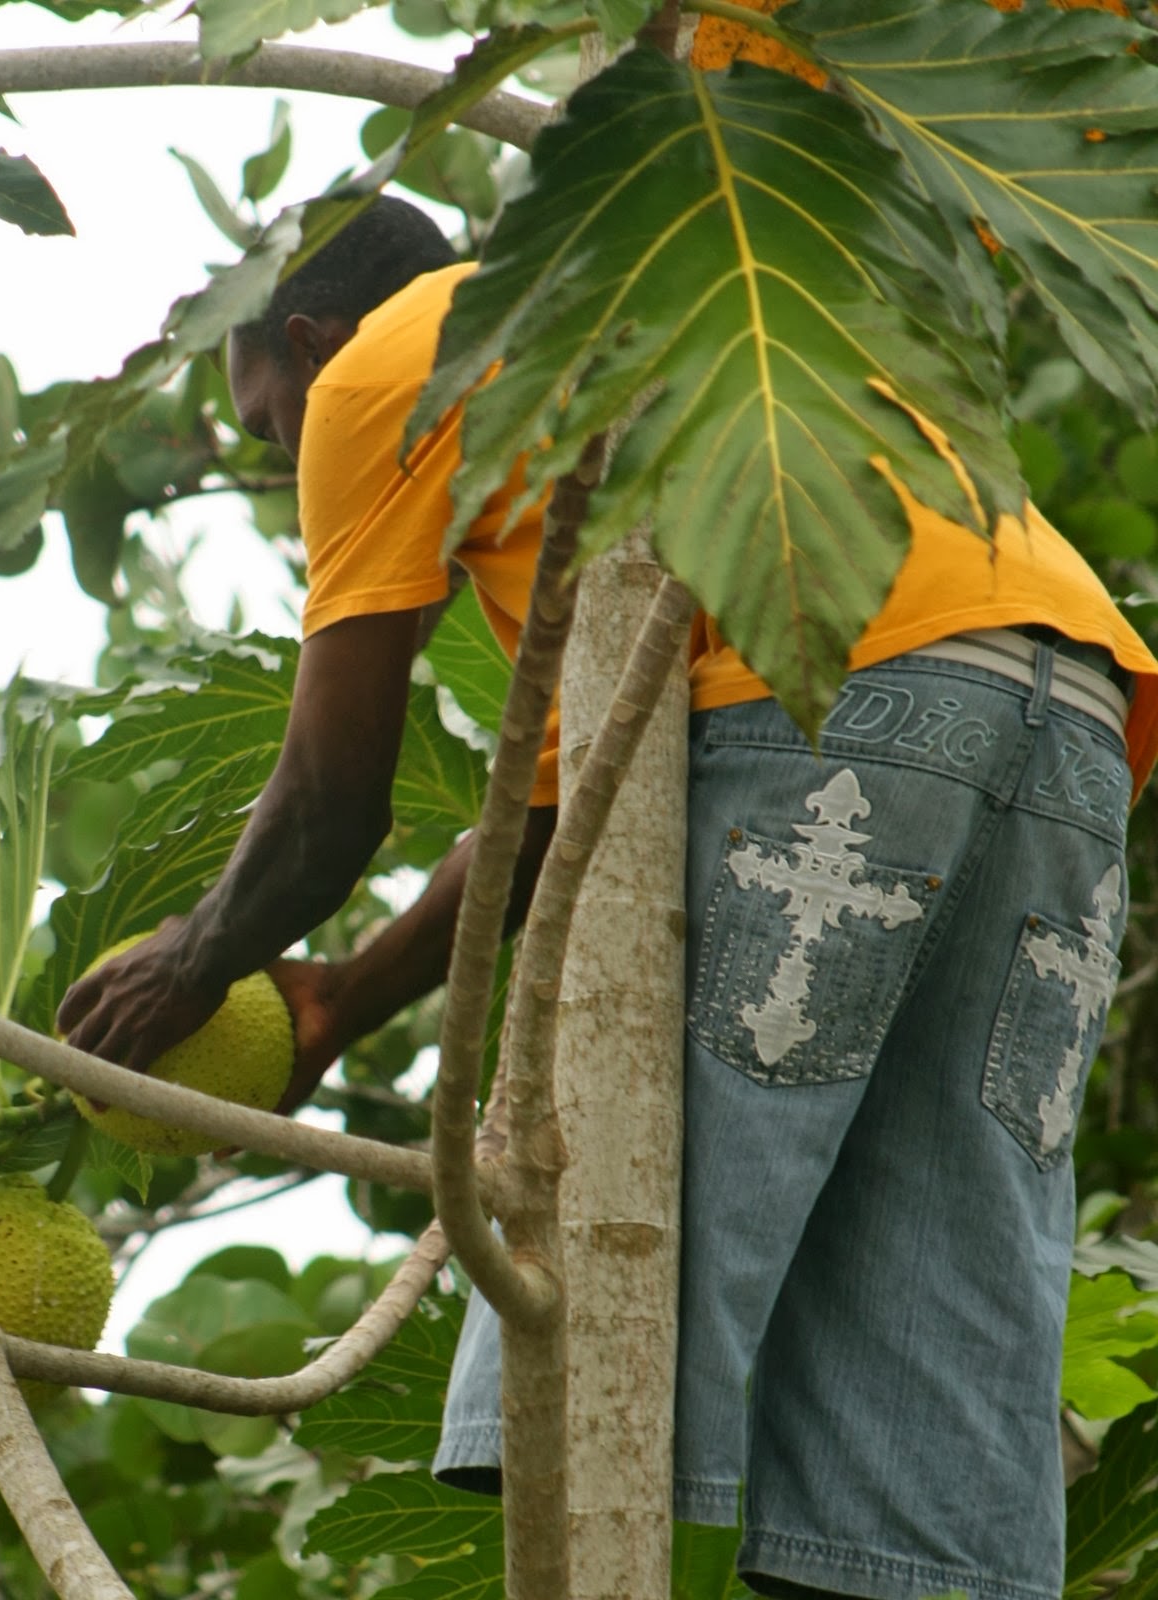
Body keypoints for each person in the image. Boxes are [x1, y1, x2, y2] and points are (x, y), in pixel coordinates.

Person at [57, 196, 1158, 1600]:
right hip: (1069, 708)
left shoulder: (387, 370)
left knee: (604, 1244)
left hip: (828, 701)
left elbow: (333, 803)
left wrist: (193, 961)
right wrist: (332, 1001)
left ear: (307, 335)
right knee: (944, 1287)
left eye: (269, 427)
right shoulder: (610, 300)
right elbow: (560, 817)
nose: (283, 464)